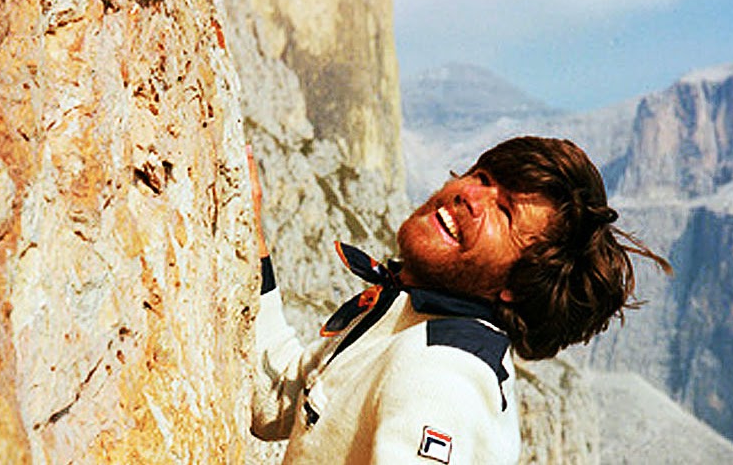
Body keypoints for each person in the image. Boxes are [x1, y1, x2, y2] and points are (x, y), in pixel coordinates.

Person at [247, 137, 670, 464]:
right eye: (483, 177)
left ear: (518, 286)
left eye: (505, 212)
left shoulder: (444, 373)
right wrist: (250, 239)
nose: (470, 195)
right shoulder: (412, 313)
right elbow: (276, 401)